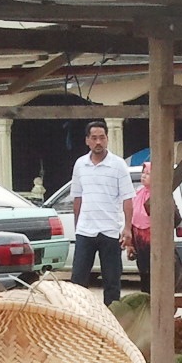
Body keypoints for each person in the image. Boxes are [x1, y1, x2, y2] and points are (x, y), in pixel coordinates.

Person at [68, 120, 133, 306]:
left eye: (102, 138)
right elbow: (77, 198)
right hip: (85, 231)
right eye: (94, 138)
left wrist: (127, 228)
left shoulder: (118, 165)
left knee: (112, 283)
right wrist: (77, 226)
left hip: (110, 231)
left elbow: (128, 199)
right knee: (78, 281)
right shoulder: (80, 164)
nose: (98, 142)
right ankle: (78, 319)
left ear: (107, 139)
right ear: (87, 140)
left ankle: (112, 323)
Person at [127, 160, 182, 294]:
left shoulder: (162, 195)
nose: (144, 176)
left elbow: (175, 219)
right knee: (145, 279)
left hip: (157, 244)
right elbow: (132, 220)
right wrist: (131, 244)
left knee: (159, 279)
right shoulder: (138, 194)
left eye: (148, 173)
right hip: (141, 246)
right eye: (143, 173)